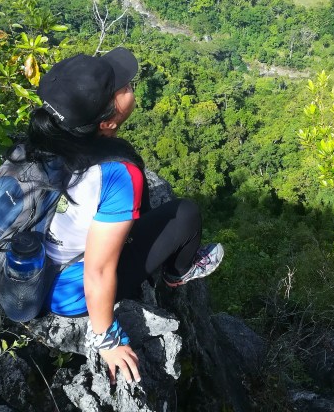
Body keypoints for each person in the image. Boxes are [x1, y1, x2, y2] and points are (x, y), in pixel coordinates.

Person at [15, 47, 223, 385]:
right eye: (122, 88)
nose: (129, 85)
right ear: (108, 123)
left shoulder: (44, 139)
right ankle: (177, 273)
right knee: (185, 214)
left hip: (27, 269)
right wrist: (107, 339)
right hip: (68, 292)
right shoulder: (116, 174)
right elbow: (97, 271)